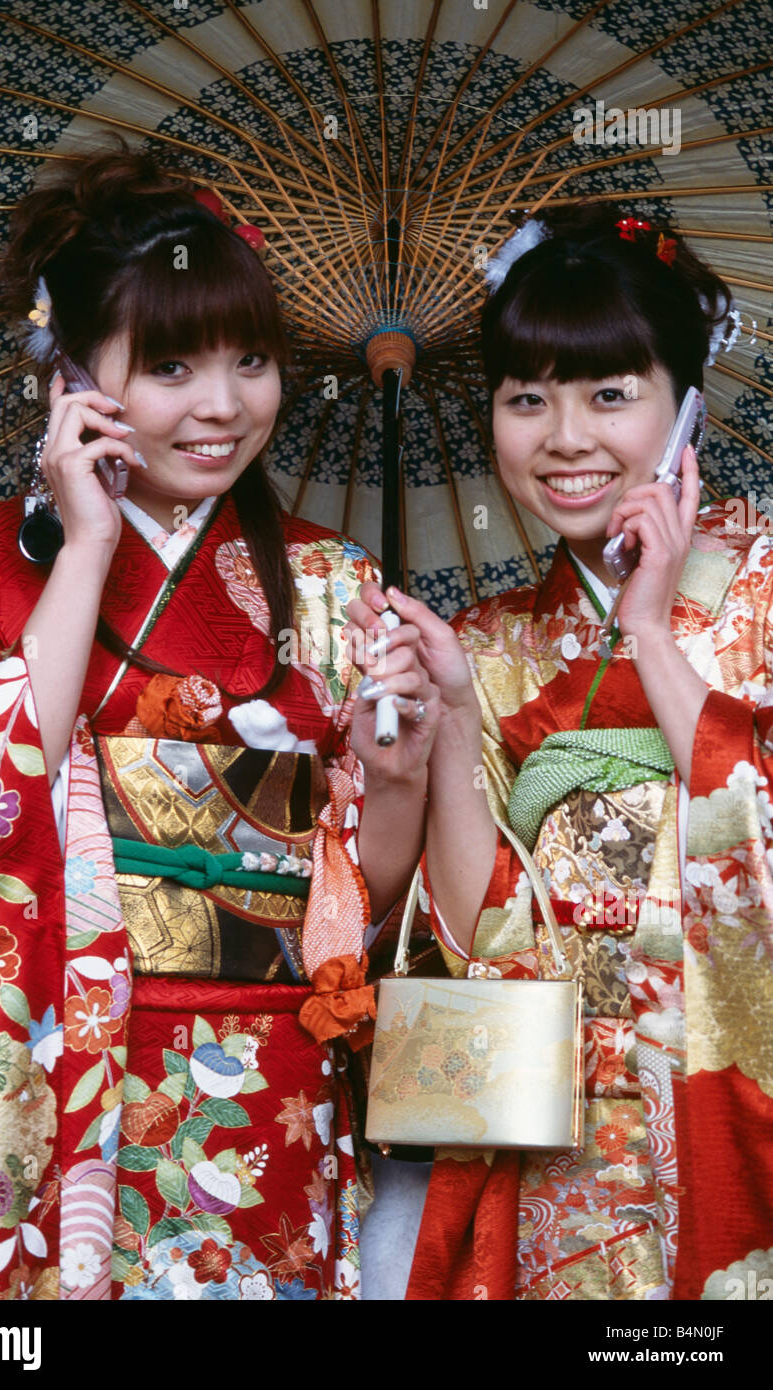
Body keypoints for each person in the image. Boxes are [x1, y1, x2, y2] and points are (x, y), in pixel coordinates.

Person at [0, 149, 438, 1301]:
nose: (224, 404)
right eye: (173, 363)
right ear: (73, 373)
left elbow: (359, 905)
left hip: (269, 1082)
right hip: (55, 1069)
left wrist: (391, 784)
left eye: (252, 359)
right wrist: (85, 546)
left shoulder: (333, 586)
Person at [346, 202, 773, 1300]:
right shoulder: (487, 641)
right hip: (565, 1135)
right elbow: (474, 931)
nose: (565, 436)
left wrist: (644, 629)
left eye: (610, 394)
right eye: (525, 397)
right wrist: (445, 722)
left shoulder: (764, 583)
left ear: (684, 414)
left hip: (735, 1087)